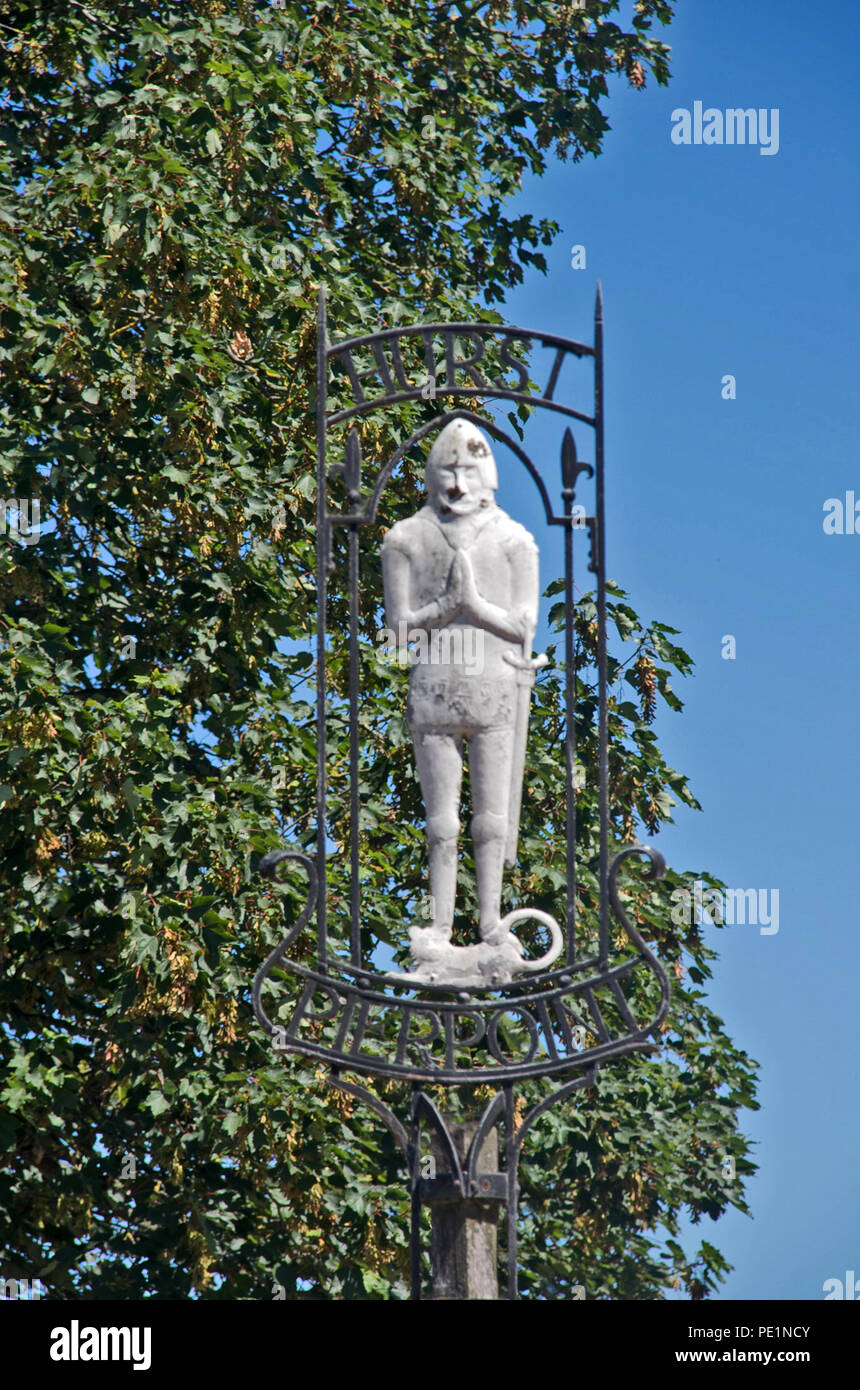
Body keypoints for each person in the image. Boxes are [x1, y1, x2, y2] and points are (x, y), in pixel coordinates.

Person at [381, 418, 540, 973]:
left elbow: (525, 625)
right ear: (430, 476)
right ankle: (442, 924)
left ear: (487, 474)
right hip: (434, 688)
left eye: (467, 470)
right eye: (446, 471)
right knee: (441, 819)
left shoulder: (515, 539)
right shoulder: (405, 538)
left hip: (495, 688)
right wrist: (446, 608)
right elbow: (397, 629)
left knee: (492, 817)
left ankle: (492, 919)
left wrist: (473, 605)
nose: (456, 484)